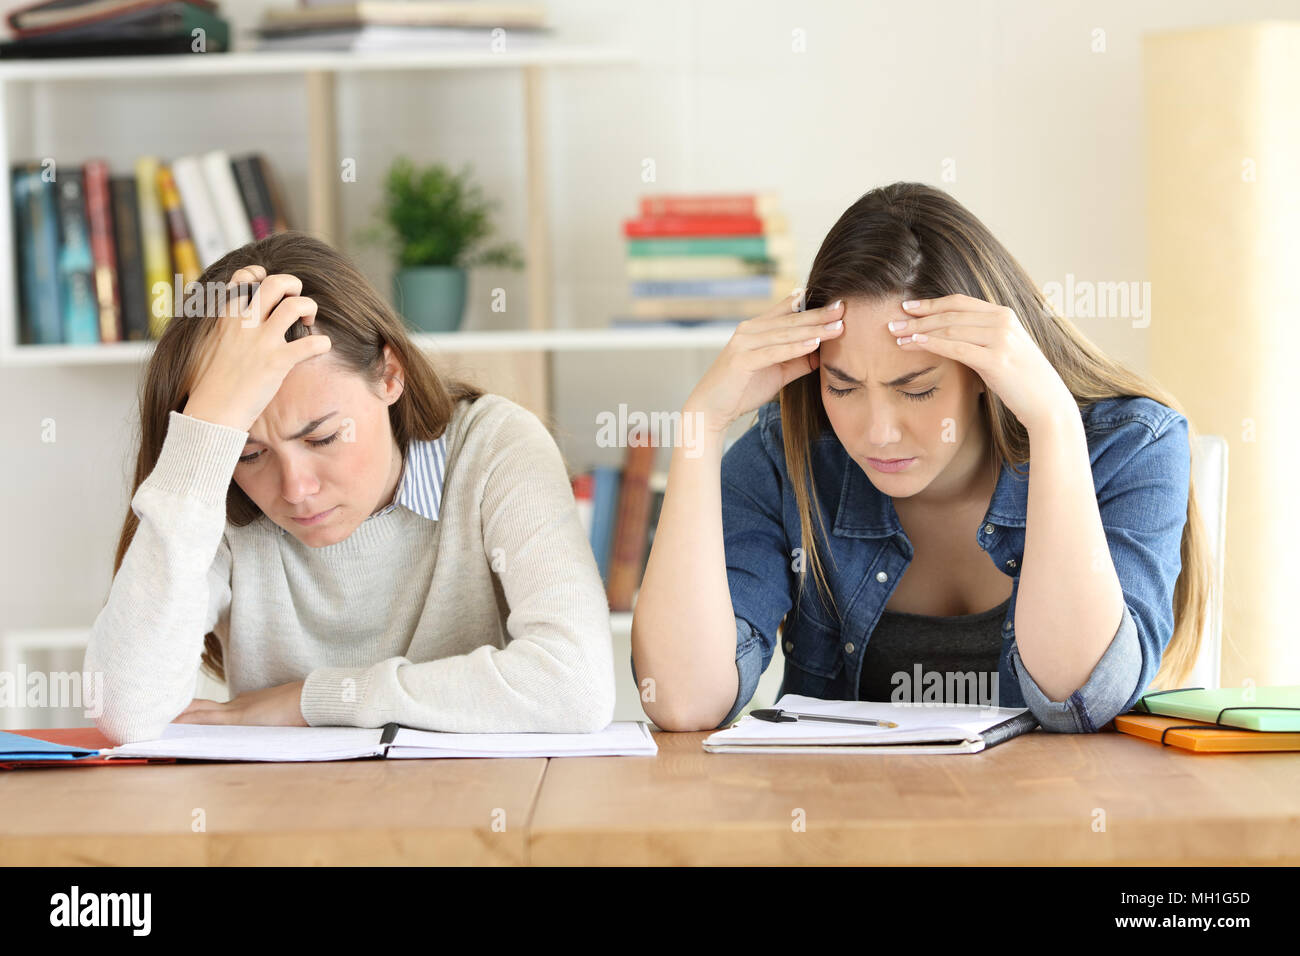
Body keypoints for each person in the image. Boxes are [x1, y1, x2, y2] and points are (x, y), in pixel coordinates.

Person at [631, 182, 1210, 733]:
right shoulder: (789, 454)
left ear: (985, 369)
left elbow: (1079, 698)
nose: (879, 432)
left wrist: (1053, 423)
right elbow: (682, 700)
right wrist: (698, 427)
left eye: (916, 389)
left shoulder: (1130, 444)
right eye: (843, 386)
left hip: (1056, 828)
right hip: (839, 826)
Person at [86, 231, 615, 745]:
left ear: (389, 375)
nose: (294, 488)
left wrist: (314, 700)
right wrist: (205, 438)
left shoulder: (494, 448)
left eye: (322, 437)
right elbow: (124, 711)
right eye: (251, 453)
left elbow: (574, 683)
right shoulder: (213, 488)